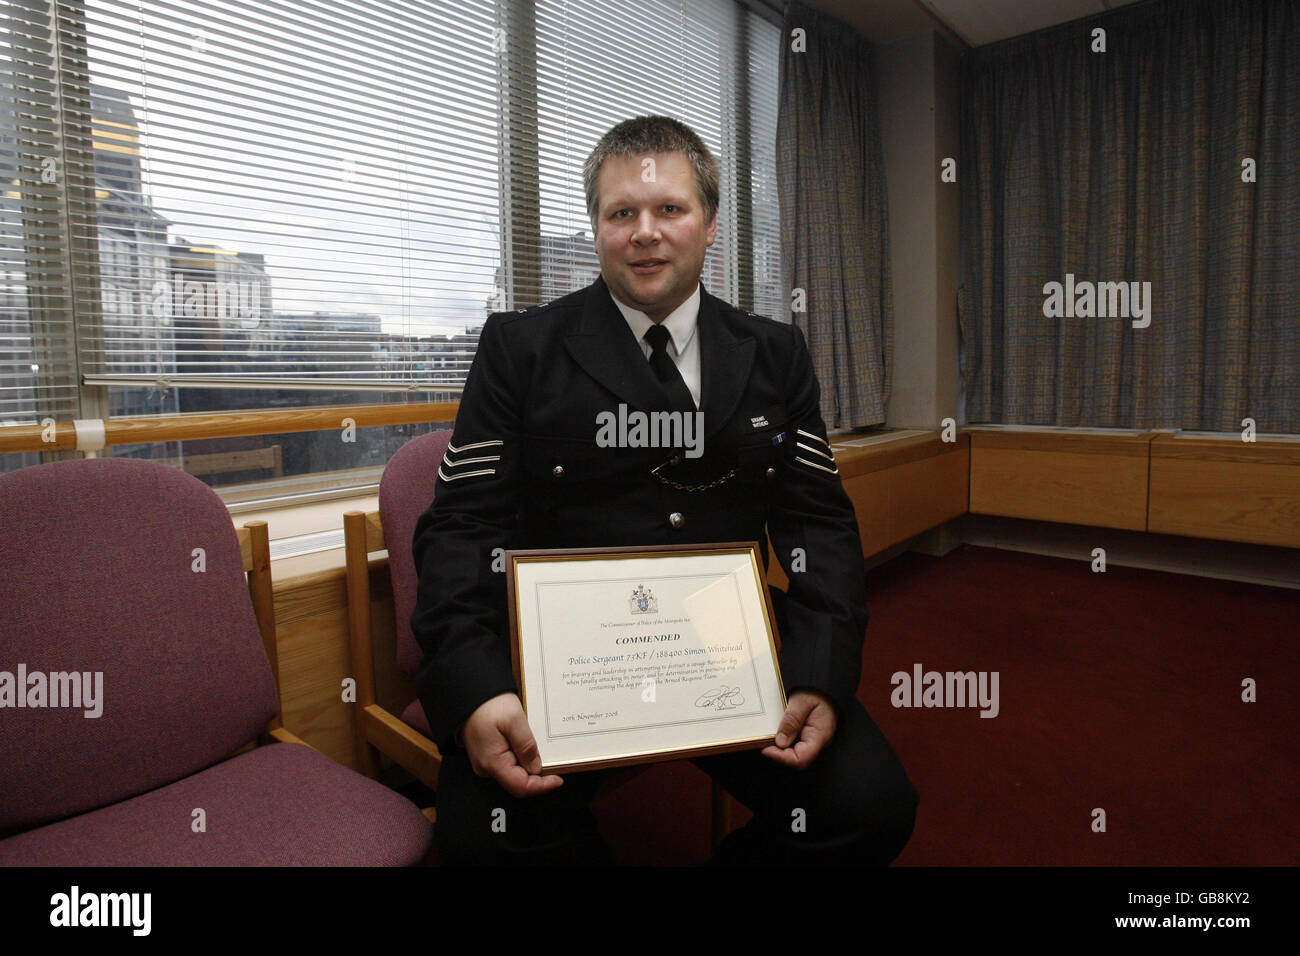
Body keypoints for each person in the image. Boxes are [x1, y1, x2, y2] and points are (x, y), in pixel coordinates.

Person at [411, 115, 917, 865]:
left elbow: (819, 524)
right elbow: (460, 530)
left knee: (871, 807)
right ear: (597, 229)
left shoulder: (774, 354)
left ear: (709, 225)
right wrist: (478, 689)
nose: (645, 232)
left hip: (724, 642)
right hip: (564, 660)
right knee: (487, 838)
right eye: (622, 213)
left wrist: (821, 673)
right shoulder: (520, 351)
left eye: (669, 209)